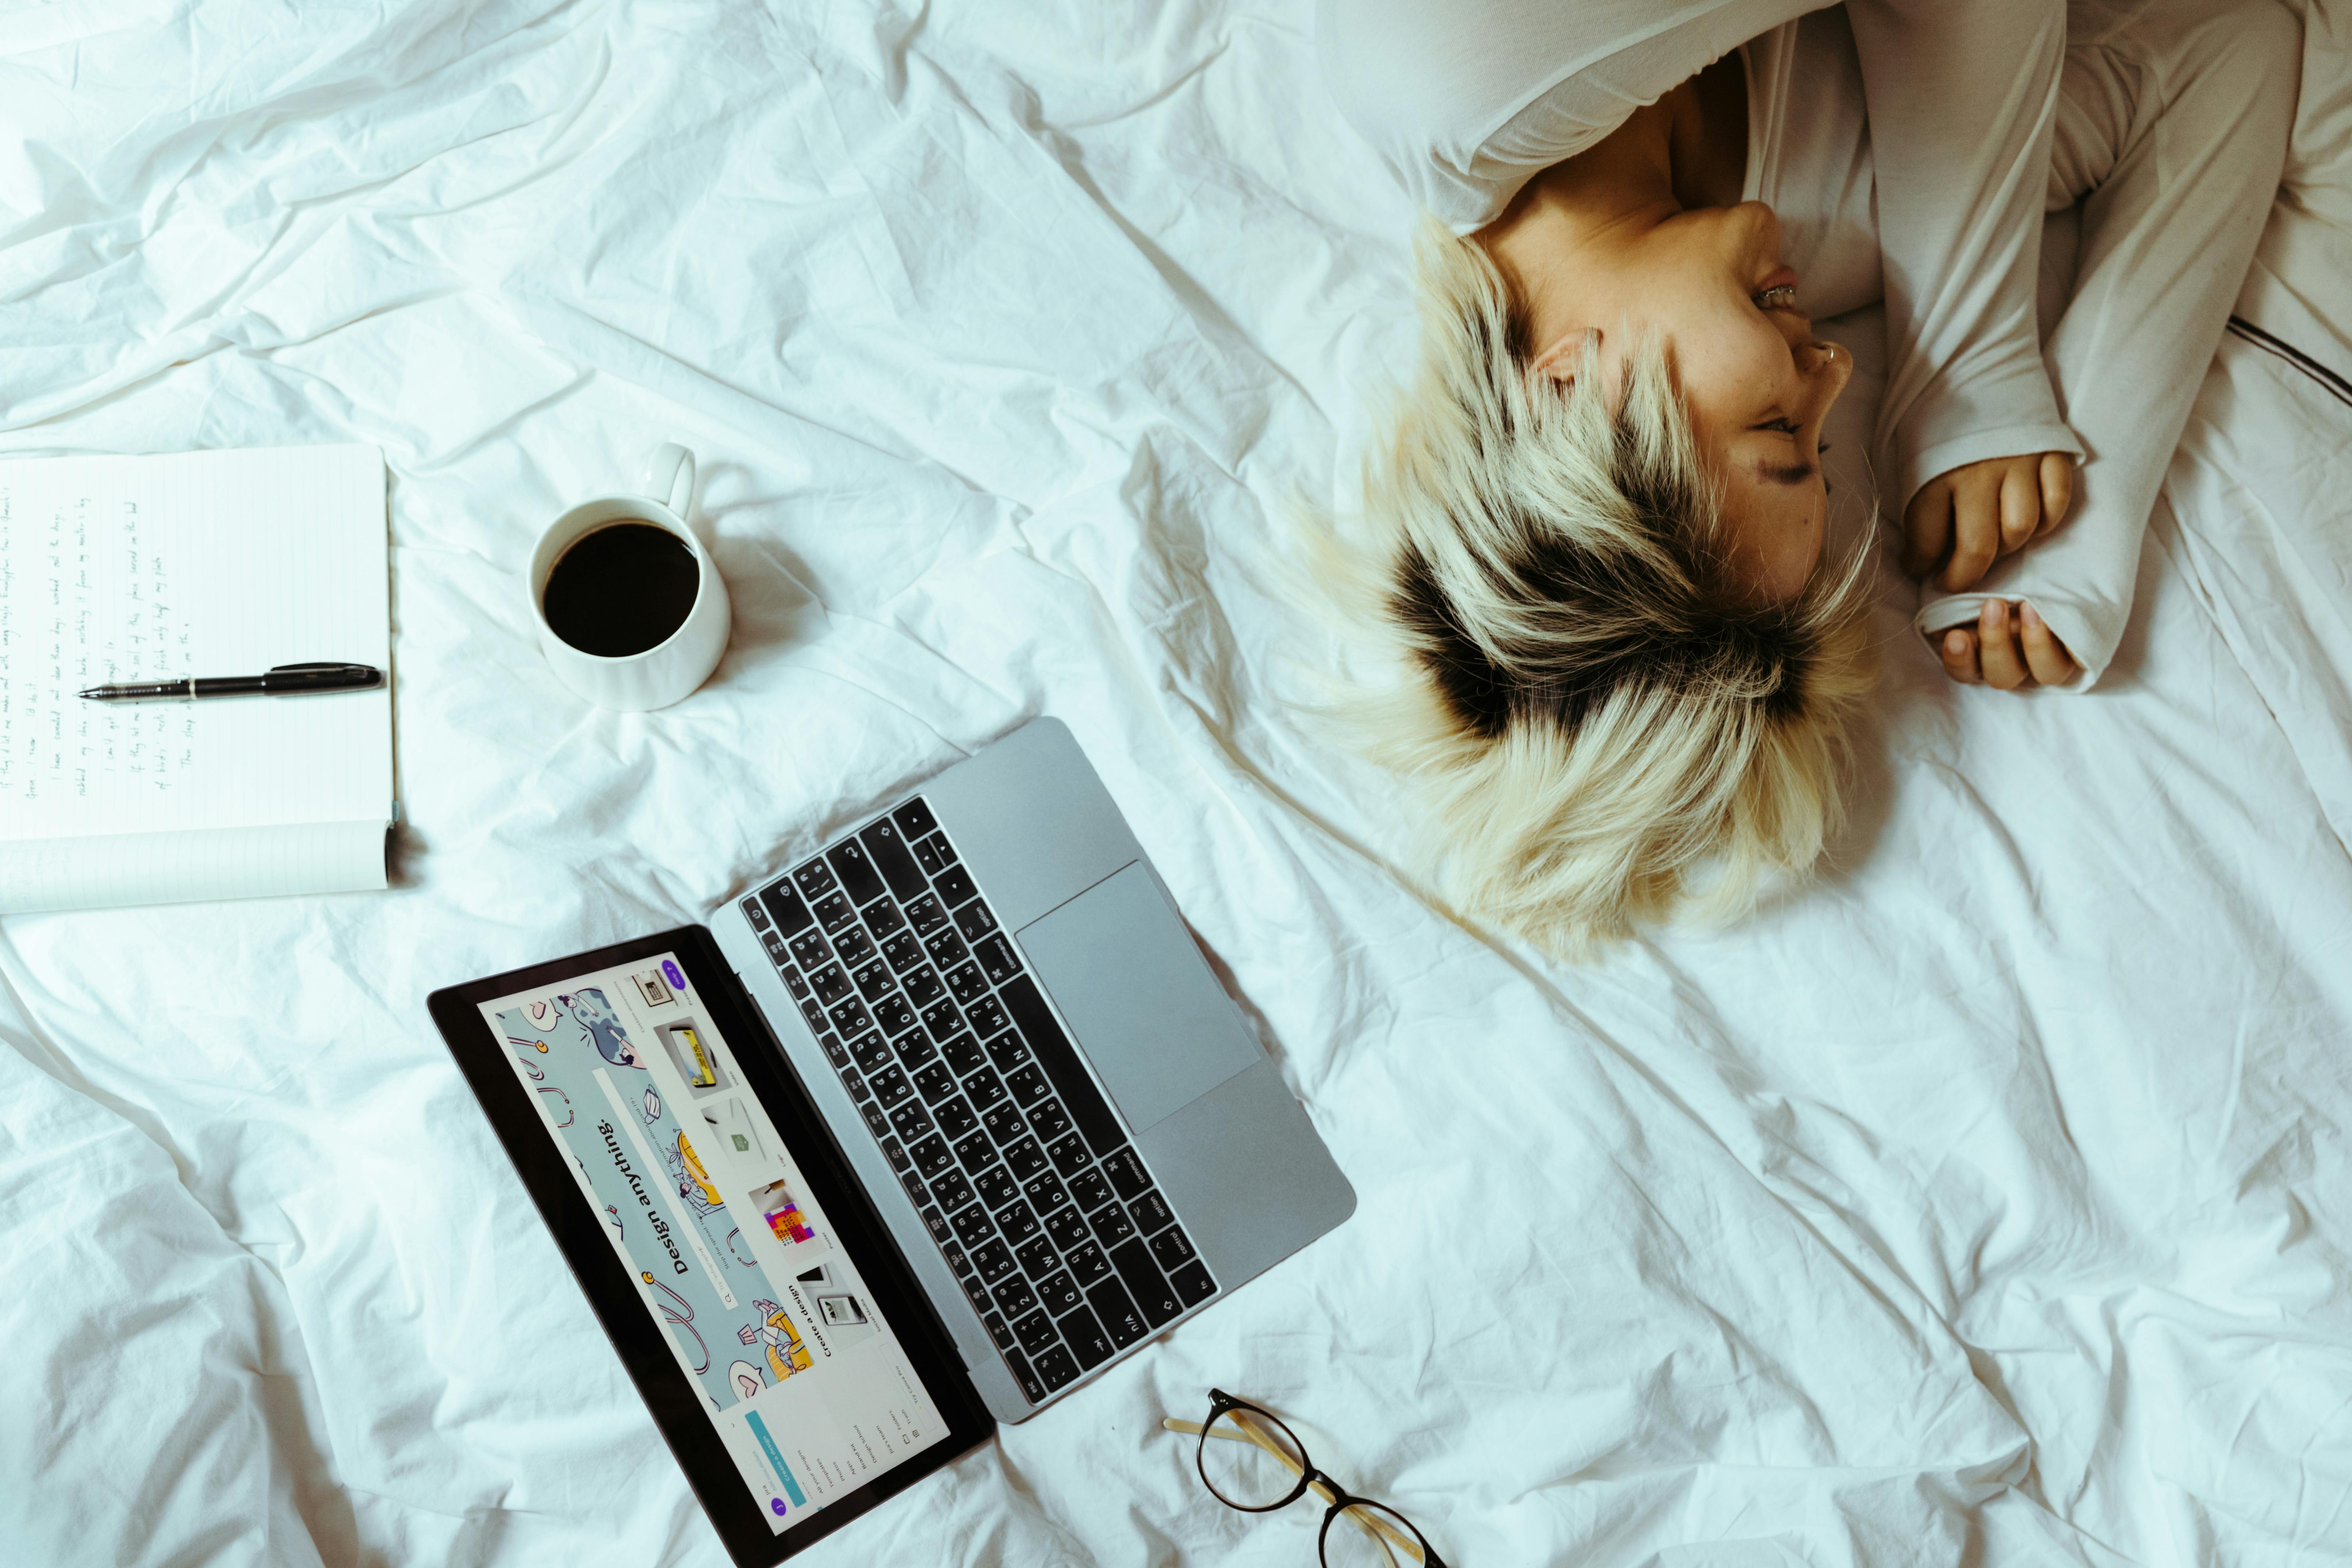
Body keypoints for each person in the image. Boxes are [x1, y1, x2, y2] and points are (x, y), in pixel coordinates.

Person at [1310, 0, 2297, 952]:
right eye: (1823, 449)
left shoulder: (1450, 70)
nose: (1834, 371)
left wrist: (1965, 371)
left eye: (1775, 427)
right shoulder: (1819, 233)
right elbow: (2225, 53)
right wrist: (2074, 531)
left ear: (1570, 390)